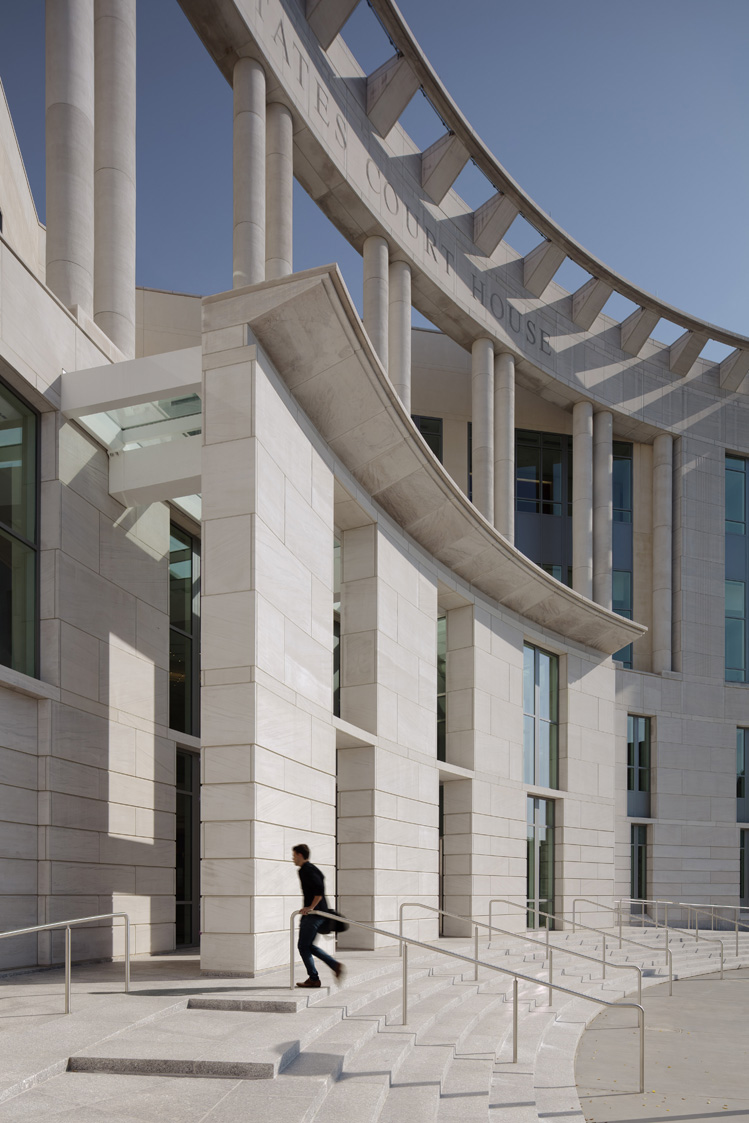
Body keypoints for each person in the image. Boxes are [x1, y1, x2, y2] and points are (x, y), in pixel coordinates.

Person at [292, 844, 345, 988]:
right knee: (308, 946)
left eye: (294, 855)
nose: (293, 859)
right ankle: (333, 967)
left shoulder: (306, 870)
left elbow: (319, 891)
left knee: (303, 946)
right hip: (314, 914)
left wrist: (311, 907)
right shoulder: (309, 869)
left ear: (300, 855)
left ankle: (315, 978)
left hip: (314, 915)